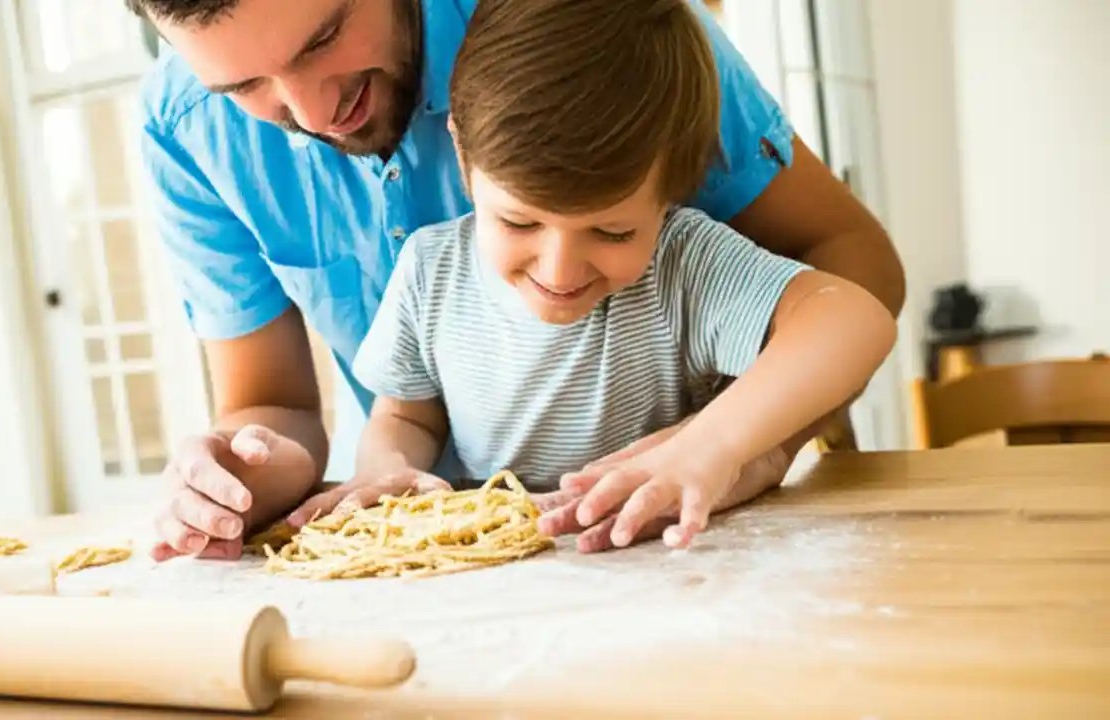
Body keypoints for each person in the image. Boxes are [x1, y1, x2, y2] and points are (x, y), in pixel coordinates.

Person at [125, 0, 906, 561]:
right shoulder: (187, 132)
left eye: (324, 35)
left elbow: (849, 284)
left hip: (692, 549)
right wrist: (239, 478)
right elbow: (293, 410)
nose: (314, 111)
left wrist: (740, 444)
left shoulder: (619, 36)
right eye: (241, 90)